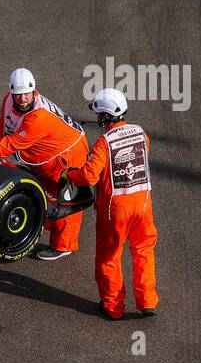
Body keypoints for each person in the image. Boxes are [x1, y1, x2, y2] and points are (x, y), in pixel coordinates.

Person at [0, 68, 89, 260]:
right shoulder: (8, 99)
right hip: (46, 153)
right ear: (11, 92)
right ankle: (42, 223)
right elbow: (4, 125)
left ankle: (63, 246)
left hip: (70, 154)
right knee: (43, 190)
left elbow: (13, 143)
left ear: (34, 90)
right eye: (18, 95)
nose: (23, 99)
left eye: (27, 93)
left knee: (64, 199)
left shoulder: (38, 117)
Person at [65, 89, 159, 320]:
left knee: (109, 257)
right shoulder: (141, 133)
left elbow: (89, 176)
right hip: (144, 204)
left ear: (105, 116)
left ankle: (113, 307)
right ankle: (147, 300)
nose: (97, 118)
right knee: (144, 250)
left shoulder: (103, 143)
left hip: (115, 210)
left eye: (98, 114)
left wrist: (70, 174)